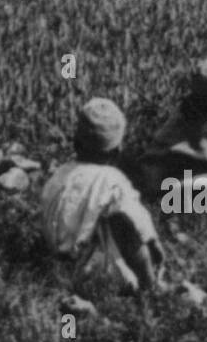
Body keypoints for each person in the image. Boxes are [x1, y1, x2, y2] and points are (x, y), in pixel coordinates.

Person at [41, 98, 166, 295]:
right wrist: (151, 248)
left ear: (75, 143)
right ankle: (149, 286)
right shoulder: (111, 181)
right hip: (93, 270)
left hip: (57, 262)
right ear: (117, 150)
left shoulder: (59, 175)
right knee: (125, 223)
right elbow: (133, 223)